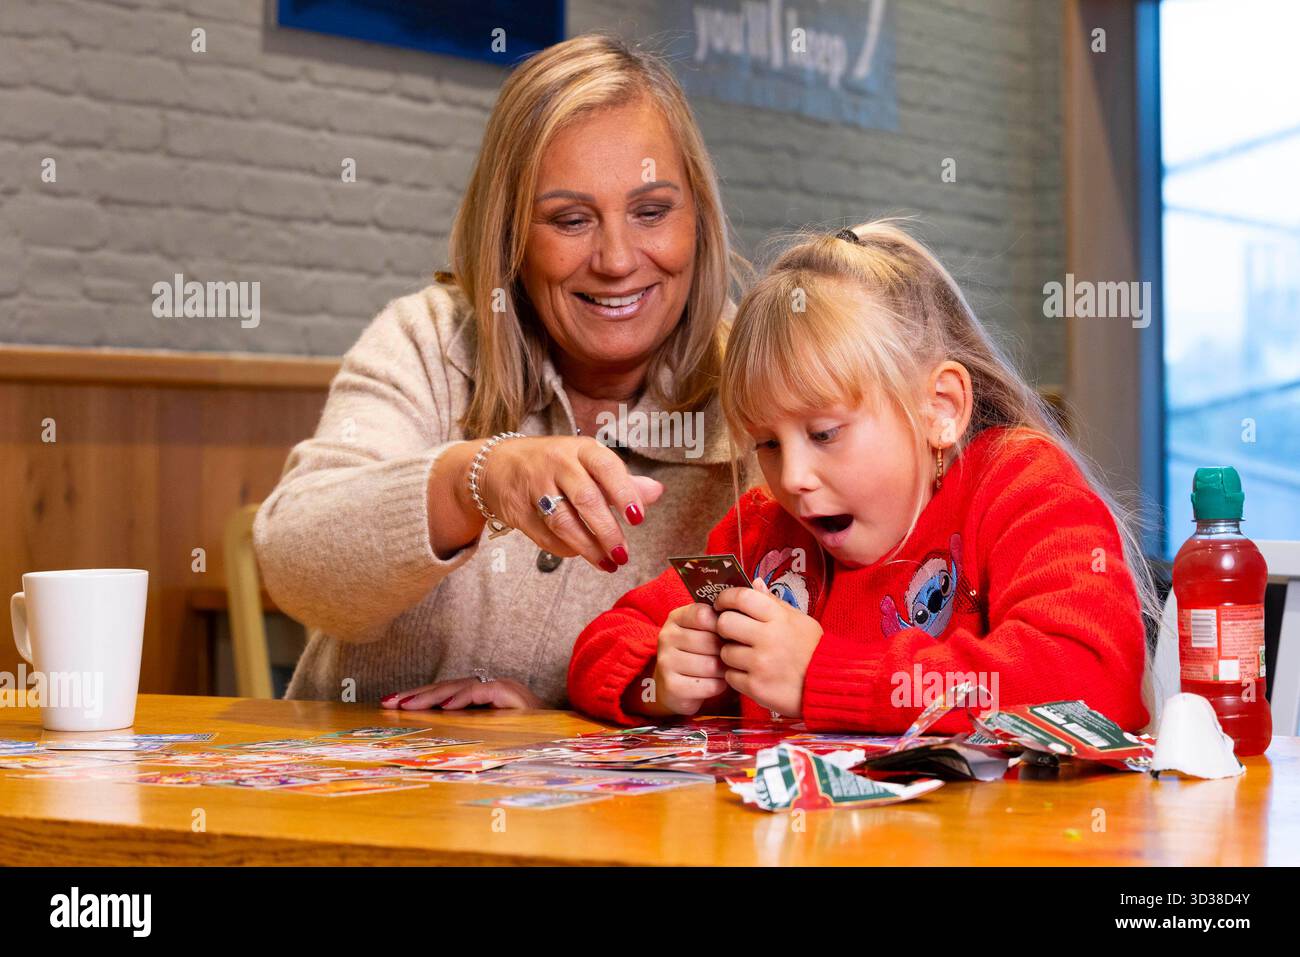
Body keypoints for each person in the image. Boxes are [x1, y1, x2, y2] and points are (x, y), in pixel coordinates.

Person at [254, 34, 752, 709]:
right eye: (570, 219)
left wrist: (555, 726)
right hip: (356, 805)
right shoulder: (429, 339)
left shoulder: (760, 385)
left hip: (620, 814)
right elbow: (295, 563)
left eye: (651, 212)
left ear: (700, 218)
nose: (615, 258)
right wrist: (476, 480)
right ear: (508, 234)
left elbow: (805, 666)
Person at [568, 219, 1156, 733]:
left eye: (825, 434)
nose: (792, 478)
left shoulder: (1019, 486)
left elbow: (1094, 679)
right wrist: (660, 677)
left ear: (941, 408)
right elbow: (605, 643)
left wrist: (822, 675)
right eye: (768, 443)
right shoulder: (765, 534)